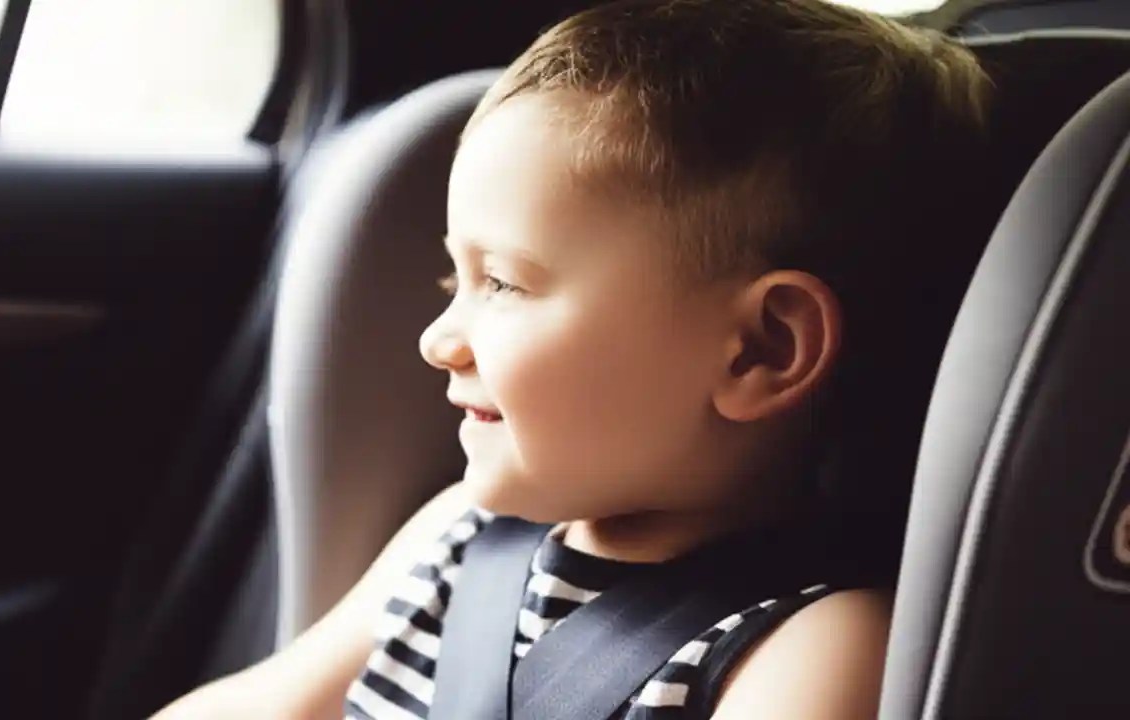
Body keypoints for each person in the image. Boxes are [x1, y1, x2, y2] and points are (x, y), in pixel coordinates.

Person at [153, 1, 993, 717]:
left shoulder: (812, 651)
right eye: (456, 277)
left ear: (761, 350)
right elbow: (259, 705)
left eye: (505, 284)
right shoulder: (459, 539)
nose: (437, 339)